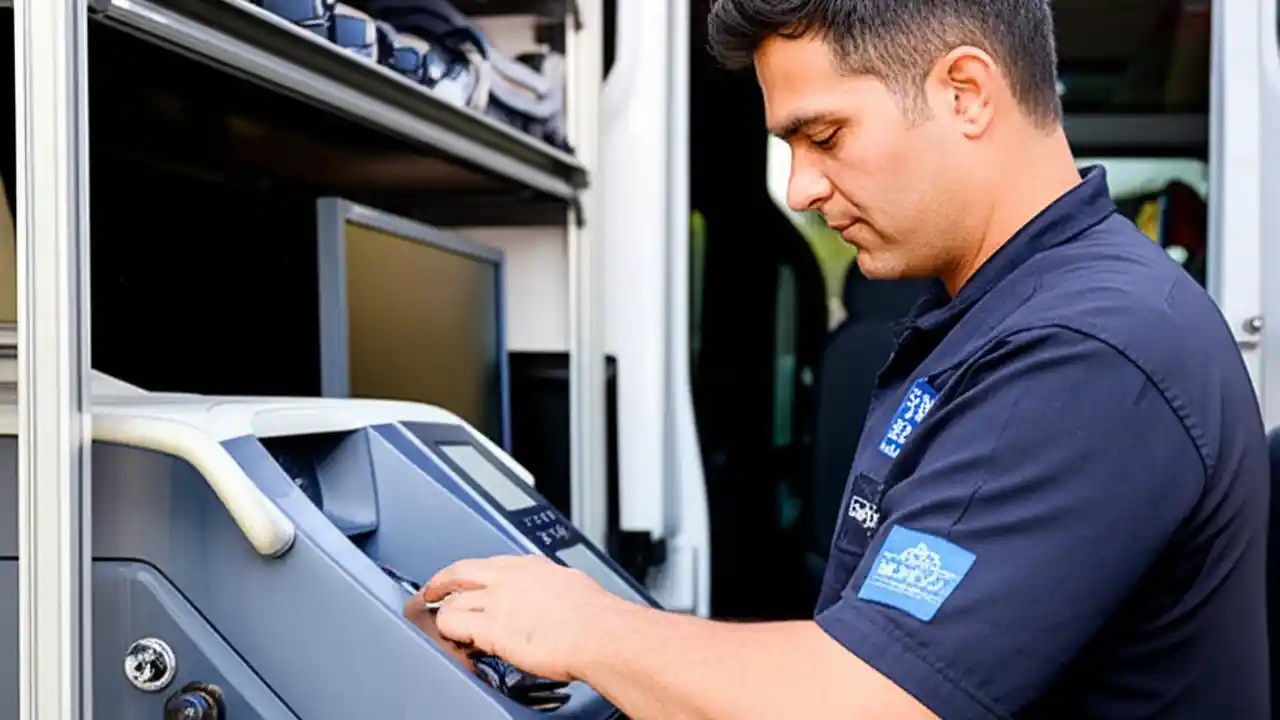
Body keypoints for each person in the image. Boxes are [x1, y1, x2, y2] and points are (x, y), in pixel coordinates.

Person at [420, 1, 1272, 717]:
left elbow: (874, 699)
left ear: (966, 93)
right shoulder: (995, 310)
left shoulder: (1088, 350)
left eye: (823, 136)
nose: (800, 188)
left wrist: (588, 630)